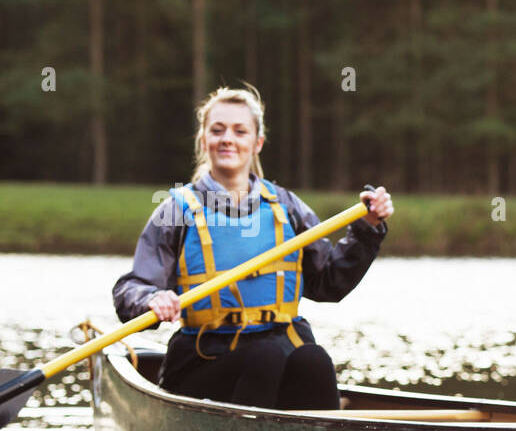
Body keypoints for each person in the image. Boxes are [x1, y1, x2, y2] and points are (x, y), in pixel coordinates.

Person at [112, 85, 394, 410]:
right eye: (217, 131)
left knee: (313, 359)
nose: (227, 139)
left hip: (279, 349)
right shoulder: (176, 210)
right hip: (204, 359)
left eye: (239, 131)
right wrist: (151, 298)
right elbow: (131, 287)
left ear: (257, 143)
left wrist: (368, 228)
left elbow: (327, 283)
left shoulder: (286, 207)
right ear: (204, 141)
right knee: (265, 357)